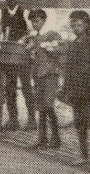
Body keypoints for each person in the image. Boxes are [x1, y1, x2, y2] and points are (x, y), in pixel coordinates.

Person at [60, 10, 90, 163]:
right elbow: (68, 69)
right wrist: (66, 88)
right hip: (76, 90)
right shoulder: (72, 44)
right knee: (79, 123)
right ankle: (84, 155)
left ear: (86, 25)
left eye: (79, 25)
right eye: (73, 25)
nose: (76, 28)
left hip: (89, 90)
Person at [0, 0, 36, 130]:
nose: (12, 2)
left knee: (27, 87)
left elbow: (33, 32)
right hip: (7, 56)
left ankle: (32, 119)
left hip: (21, 56)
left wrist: (25, 39)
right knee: (10, 87)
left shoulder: (25, 13)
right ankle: (13, 119)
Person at [24, 8, 62, 150]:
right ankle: (42, 138)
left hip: (50, 74)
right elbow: (31, 52)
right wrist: (31, 52)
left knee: (48, 105)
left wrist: (50, 48)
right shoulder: (34, 36)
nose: (35, 24)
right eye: (32, 22)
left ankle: (56, 137)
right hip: (38, 74)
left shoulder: (52, 33)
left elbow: (59, 50)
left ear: (44, 20)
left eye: (37, 21)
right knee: (40, 106)